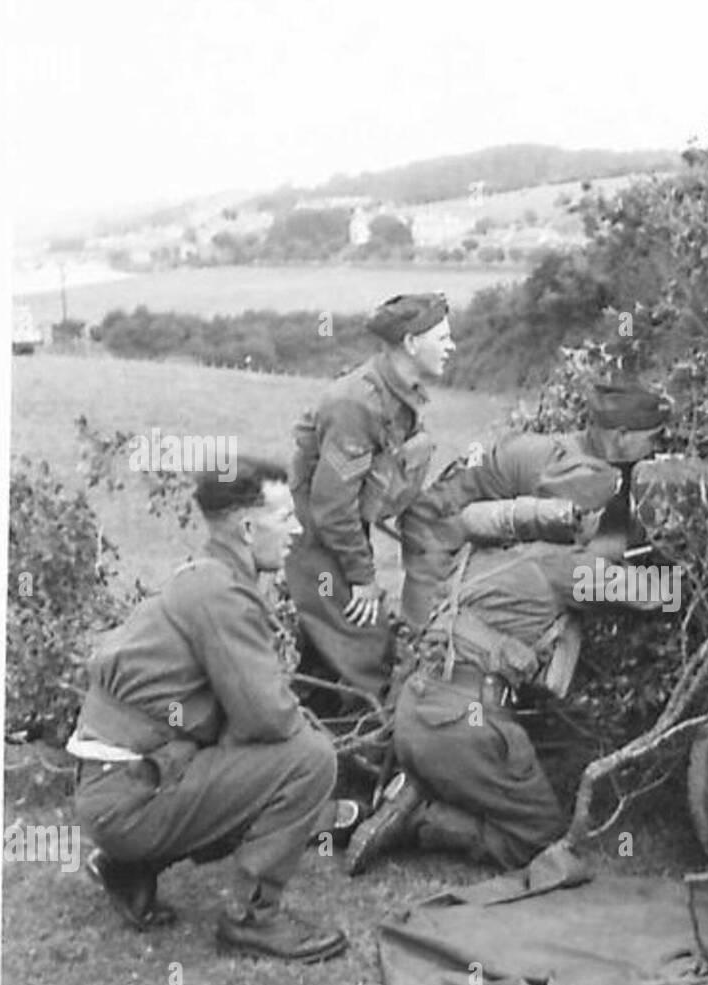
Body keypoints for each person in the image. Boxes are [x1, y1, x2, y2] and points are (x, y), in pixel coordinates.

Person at [70, 458, 349, 963]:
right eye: (285, 516)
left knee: (256, 756)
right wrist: (295, 722)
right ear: (247, 527)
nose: (298, 528)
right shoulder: (221, 593)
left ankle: (129, 867)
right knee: (310, 758)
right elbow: (268, 719)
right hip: (126, 797)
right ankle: (252, 921)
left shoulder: (204, 577)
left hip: (116, 788)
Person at [345, 517, 667, 875]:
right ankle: (419, 818)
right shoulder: (557, 565)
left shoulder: (471, 559)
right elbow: (656, 592)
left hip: (412, 717)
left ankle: (417, 784)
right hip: (466, 725)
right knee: (540, 839)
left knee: (475, 765)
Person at [398, 382, 668, 632]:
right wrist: (671, 589)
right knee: (437, 635)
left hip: (466, 527)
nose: (655, 448)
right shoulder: (570, 477)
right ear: (621, 437)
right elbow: (576, 572)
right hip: (435, 535)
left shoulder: (580, 458)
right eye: (652, 439)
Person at [286, 292, 452, 698]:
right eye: (443, 338)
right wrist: (362, 578)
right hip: (318, 542)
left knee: (329, 654)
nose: (451, 347)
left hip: (342, 535)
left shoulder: (400, 393)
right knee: (367, 648)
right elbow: (331, 506)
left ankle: (323, 729)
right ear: (412, 344)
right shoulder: (357, 404)